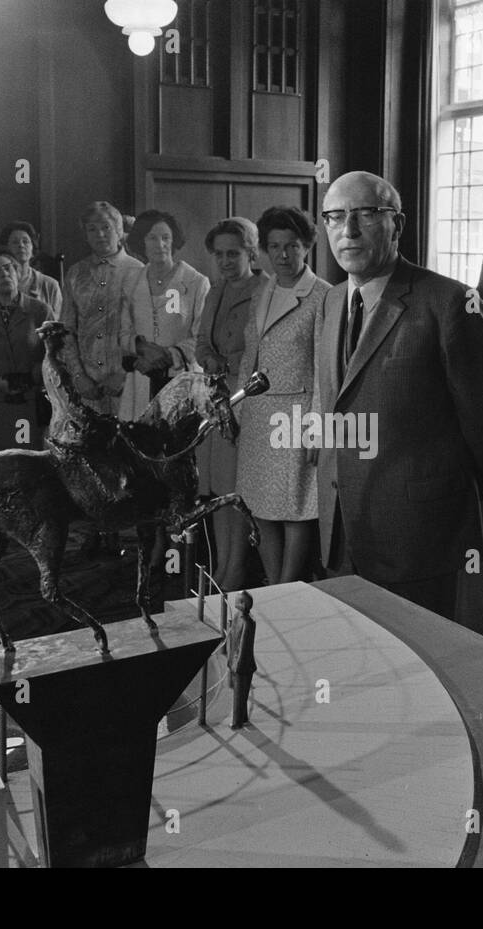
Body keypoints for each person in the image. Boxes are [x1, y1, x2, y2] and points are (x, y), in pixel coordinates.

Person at [314, 171, 483, 619]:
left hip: (419, 535)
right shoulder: (329, 302)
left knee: (420, 670)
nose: (349, 230)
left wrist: (444, 495)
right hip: (342, 530)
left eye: (366, 214)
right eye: (336, 216)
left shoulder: (450, 302)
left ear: (397, 225)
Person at [237, 206, 330, 585]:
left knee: (294, 508)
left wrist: (317, 426)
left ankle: (289, 588)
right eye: (274, 246)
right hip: (257, 415)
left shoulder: (323, 295)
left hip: (295, 416)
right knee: (260, 507)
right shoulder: (264, 289)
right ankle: (275, 589)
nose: (282, 254)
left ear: (307, 246)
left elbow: (326, 369)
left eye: (292, 245)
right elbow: (249, 354)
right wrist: (237, 408)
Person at [195, 217, 267, 591]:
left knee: (237, 490)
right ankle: (223, 565)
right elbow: (201, 345)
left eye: (233, 253)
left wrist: (229, 370)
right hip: (215, 401)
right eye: (219, 254)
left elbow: (266, 355)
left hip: (248, 401)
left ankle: (237, 568)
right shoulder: (214, 291)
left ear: (251, 252)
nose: (224, 260)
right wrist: (212, 364)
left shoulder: (266, 290)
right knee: (218, 490)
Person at [56, 201, 143, 439]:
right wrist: (78, 376)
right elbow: (66, 331)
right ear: (85, 235)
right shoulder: (75, 273)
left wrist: (127, 374)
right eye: (92, 229)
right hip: (87, 387)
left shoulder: (139, 272)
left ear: (119, 231)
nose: (100, 234)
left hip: (129, 385)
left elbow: (148, 332)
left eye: (106, 227)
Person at [118, 209, 211, 421]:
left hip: (182, 380)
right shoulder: (131, 281)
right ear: (142, 241)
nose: (160, 245)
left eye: (166, 237)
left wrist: (167, 355)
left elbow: (202, 337)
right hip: (141, 380)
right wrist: (142, 348)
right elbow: (123, 333)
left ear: (174, 240)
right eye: (152, 238)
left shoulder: (196, 282)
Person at [0, 252, 52, 451]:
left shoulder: (40, 311)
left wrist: (33, 376)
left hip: (31, 400)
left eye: (8, 268)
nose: (4, 274)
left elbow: (54, 354)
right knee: (4, 462)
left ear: (17, 273)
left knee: (28, 459)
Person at [0, 220, 63, 319]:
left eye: (25, 241)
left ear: (33, 249)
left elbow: (59, 323)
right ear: (5, 249)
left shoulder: (49, 285)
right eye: (15, 242)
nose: (21, 245)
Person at [226, 590, 257, 729]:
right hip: (236, 661)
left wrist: (237, 663)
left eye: (238, 600)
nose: (235, 601)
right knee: (241, 692)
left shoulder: (248, 623)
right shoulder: (238, 616)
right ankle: (242, 717)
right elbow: (234, 637)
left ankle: (236, 721)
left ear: (243, 604)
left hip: (243, 664)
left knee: (239, 693)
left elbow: (245, 645)